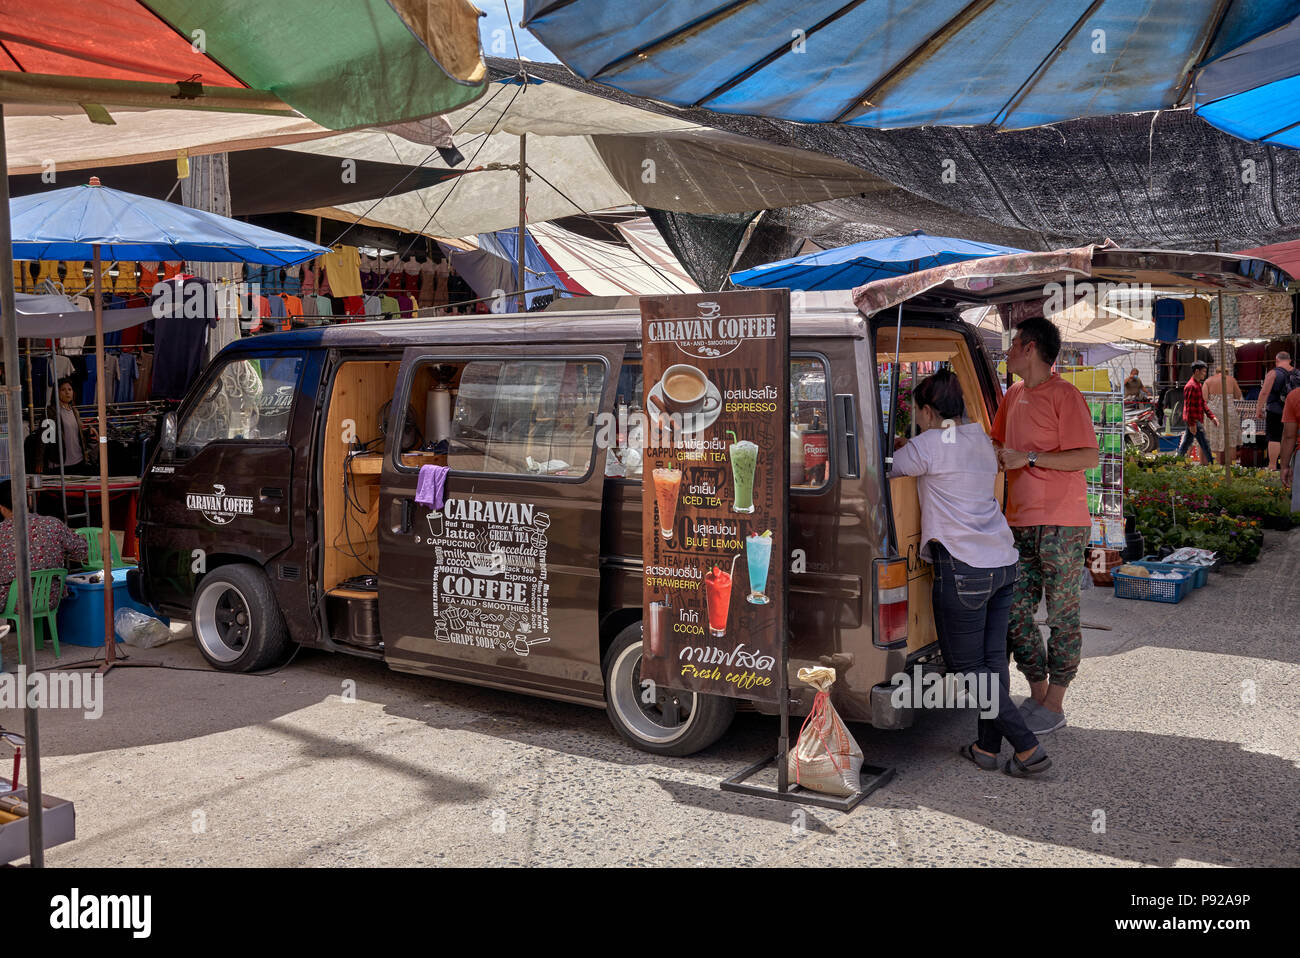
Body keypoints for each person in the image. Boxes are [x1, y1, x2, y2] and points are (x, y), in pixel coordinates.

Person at [891, 370, 1049, 776]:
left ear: (928, 410)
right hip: (1001, 562)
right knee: (992, 662)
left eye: (920, 413)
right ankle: (986, 748)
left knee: (968, 669)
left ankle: (1028, 748)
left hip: (962, 570)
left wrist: (902, 446)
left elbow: (885, 474)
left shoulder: (925, 446)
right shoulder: (982, 438)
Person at [991, 317, 1099, 736]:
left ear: (1031, 348)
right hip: (1017, 522)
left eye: (1013, 344)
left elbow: (1088, 457)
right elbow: (999, 442)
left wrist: (1030, 459)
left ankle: (1055, 702)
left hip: (1061, 523)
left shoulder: (1065, 395)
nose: (1008, 351)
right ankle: (1036, 693)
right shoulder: (1013, 394)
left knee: (1062, 613)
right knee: (1015, 611)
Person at [0, 479, 89, 613]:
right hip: (50, 598)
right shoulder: (53, 524)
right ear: (29, 500)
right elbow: (82, 551)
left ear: (1, 508)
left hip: (13, 603)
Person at [39, 378, 97, 476]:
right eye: (63, 390)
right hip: (59, 464)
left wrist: (88, 431)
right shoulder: (51, 412)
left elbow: (76, 434)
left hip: (78, 461)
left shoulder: (75, 411)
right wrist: (39, 461)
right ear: (57, 392)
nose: (67, 392)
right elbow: (44, 439)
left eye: (70, 389)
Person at [1255, 352, 1296, 471]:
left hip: (1276, 410)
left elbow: (1264, 392)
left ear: (1276, 360)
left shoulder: (1273, 373)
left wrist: (1259, 409)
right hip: (1293, 410)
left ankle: (1272, 465)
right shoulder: (1297, 373)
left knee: (1274, 437)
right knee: (1291, 437)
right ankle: (1289, 465)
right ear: (1290, 360)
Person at [1203, 362, 1243, 465]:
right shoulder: (1231, 380)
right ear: (1227, 372)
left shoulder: (1208, 381)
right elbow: (1238, 395)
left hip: (1213, 412)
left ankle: (1216, 465)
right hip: (1229, 411)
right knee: (1230, 439)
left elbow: (1204, 398)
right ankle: (1230, 465)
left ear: (1216, 372)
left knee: (1214, 438)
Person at [1177, 361, 1217, 464]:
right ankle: (1212, 464)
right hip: (1193, 419)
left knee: (1187, 443)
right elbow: (1189, 407)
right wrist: (1192, 424)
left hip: (1194, 419)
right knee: (1204, 443)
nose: (1205, 374)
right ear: (1196, 371)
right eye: (1203, 372)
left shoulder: (1198, 385)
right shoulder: (1191, 386)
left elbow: (1202, 403)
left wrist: (1212, 417)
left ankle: (1176, 462)